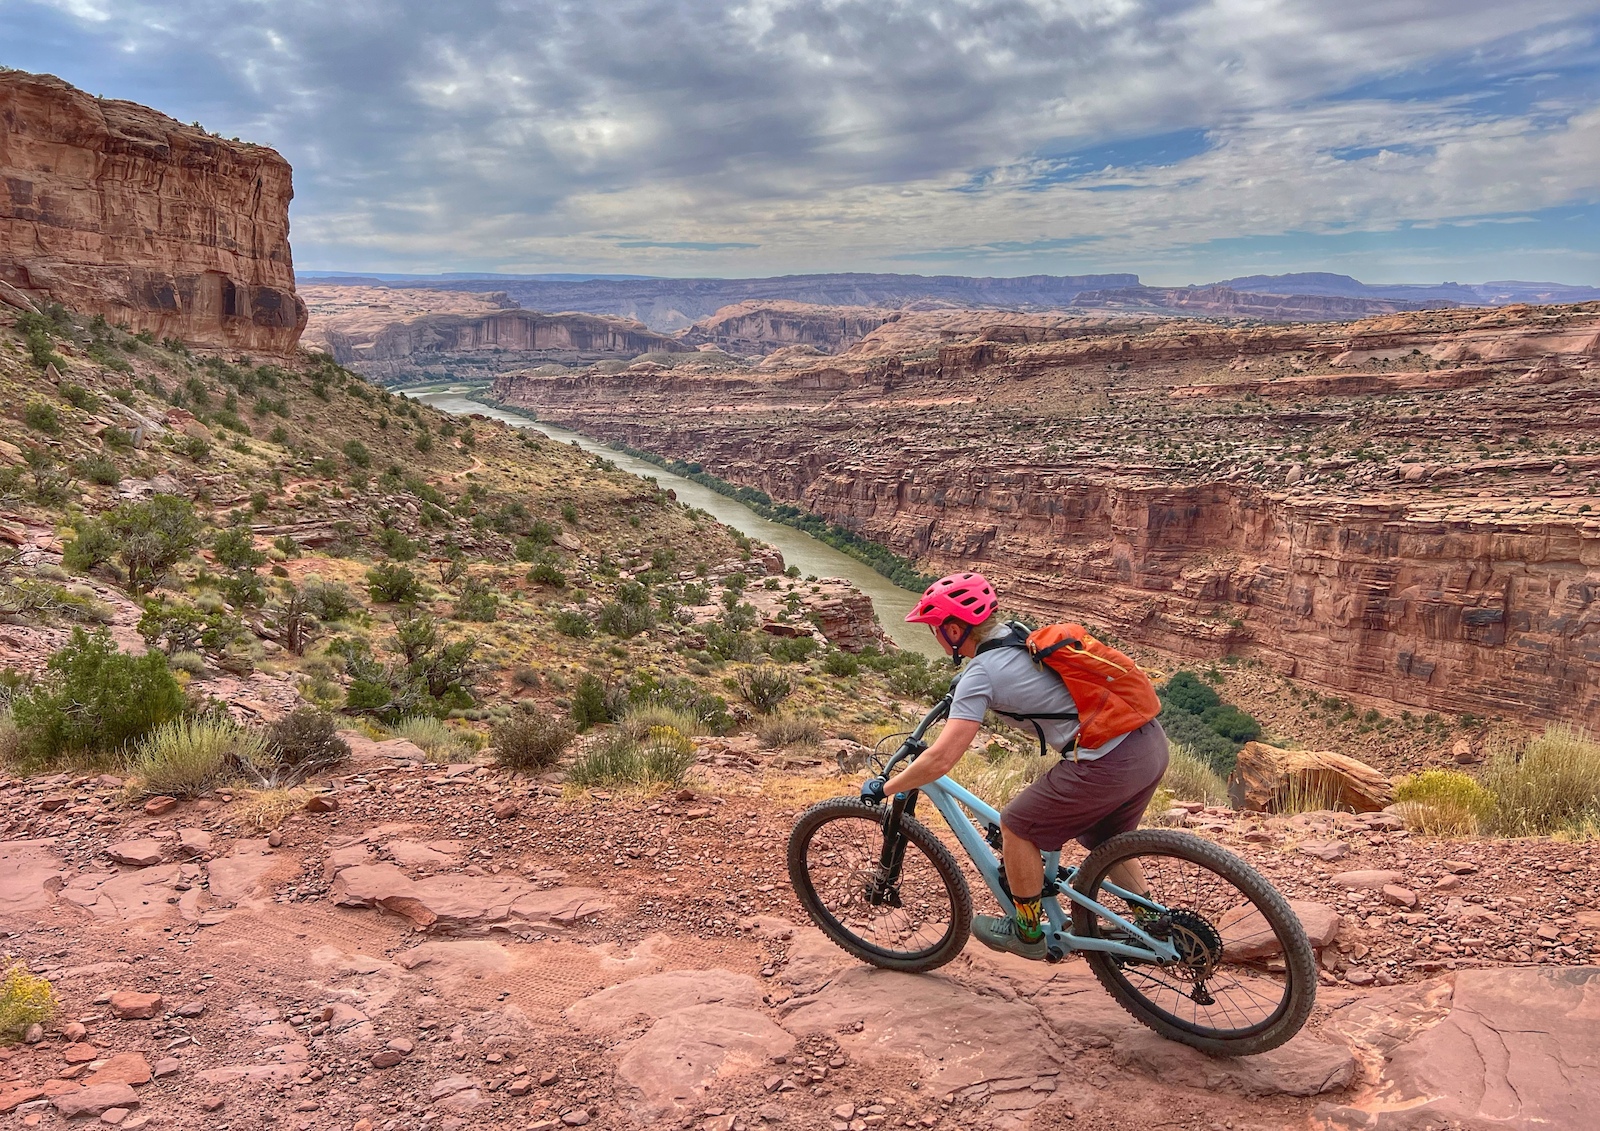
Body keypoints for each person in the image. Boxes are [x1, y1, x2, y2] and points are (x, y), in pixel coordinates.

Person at [860, 571, 1170, 960]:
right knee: (1102, 841)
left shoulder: (980, 674)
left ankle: (1026, 933)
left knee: (1017, 825)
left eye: (935, 628)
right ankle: (1152, 922)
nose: (934, 636)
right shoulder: (1017, 634)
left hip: (1109, 762)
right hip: (1148, 743)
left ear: (955, 631)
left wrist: (884, 788)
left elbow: (941, 758)